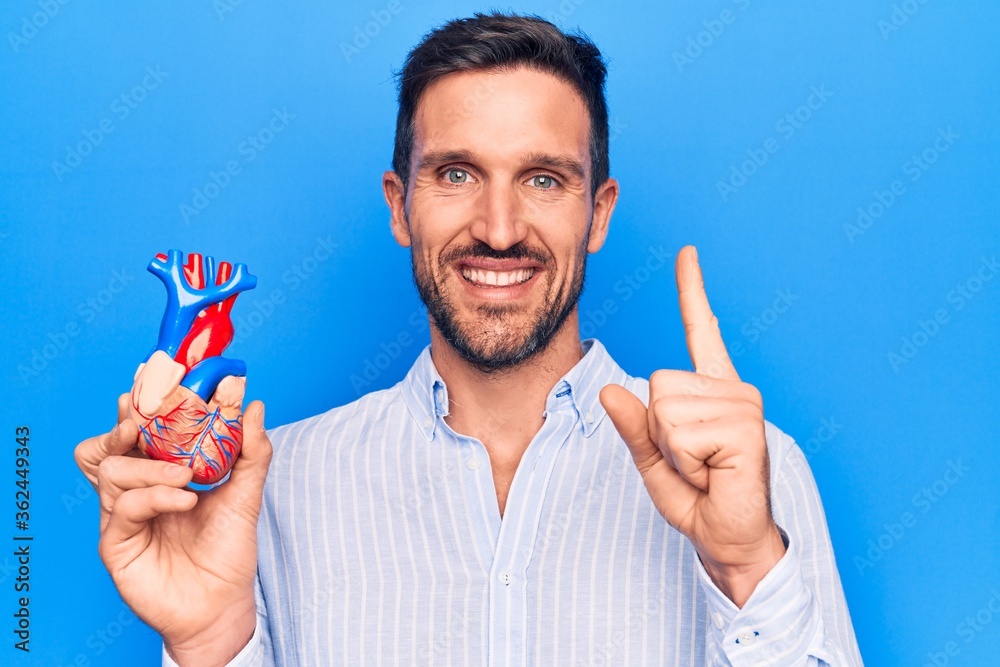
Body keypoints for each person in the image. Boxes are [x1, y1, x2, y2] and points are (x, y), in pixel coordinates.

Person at [75, 12, 863, 666]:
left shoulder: (749, 475)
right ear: (399, 204)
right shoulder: (277, 491)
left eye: (544, 179)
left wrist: (748, 566)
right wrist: (209, 642)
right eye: (456, 173)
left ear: (600, 213)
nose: (498, 228)